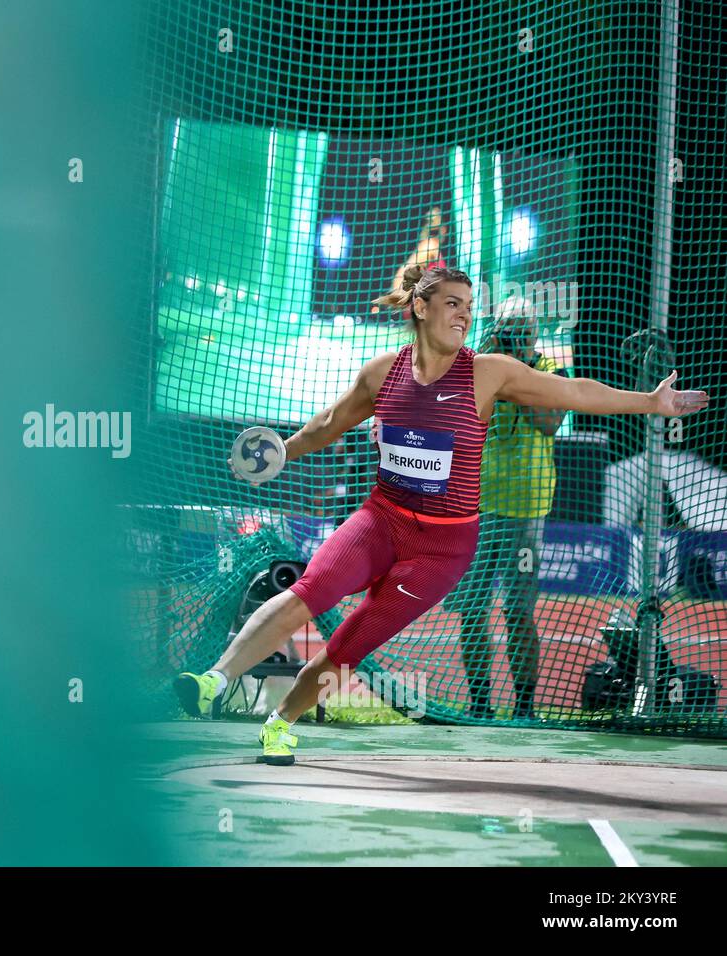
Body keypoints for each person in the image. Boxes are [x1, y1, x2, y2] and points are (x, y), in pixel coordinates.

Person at [175, 264, 709, 765]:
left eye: (470, 307)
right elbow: (329, 423)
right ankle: (214, 682)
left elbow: (571, 391)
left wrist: (649, 402)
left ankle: (281, 721)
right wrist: (282, 451)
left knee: (349, 643)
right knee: (308, 591)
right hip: (381, 520)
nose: (464, 315)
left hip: (442, 548)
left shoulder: (488, 373)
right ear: (420, 308)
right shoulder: (382, 373)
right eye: (453, 303)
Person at [444, 296, 565, 720]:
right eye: (510, 331)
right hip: (473, 508)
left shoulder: (551, 371)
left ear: (535, 334)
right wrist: (492, 361)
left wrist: (520, 372)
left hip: (525, 511)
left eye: (523, 331)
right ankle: (480, 703)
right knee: (472, 608)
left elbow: (548, 423)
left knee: (519, 610)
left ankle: (525, 705)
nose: (518, 338)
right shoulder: (480, 366)